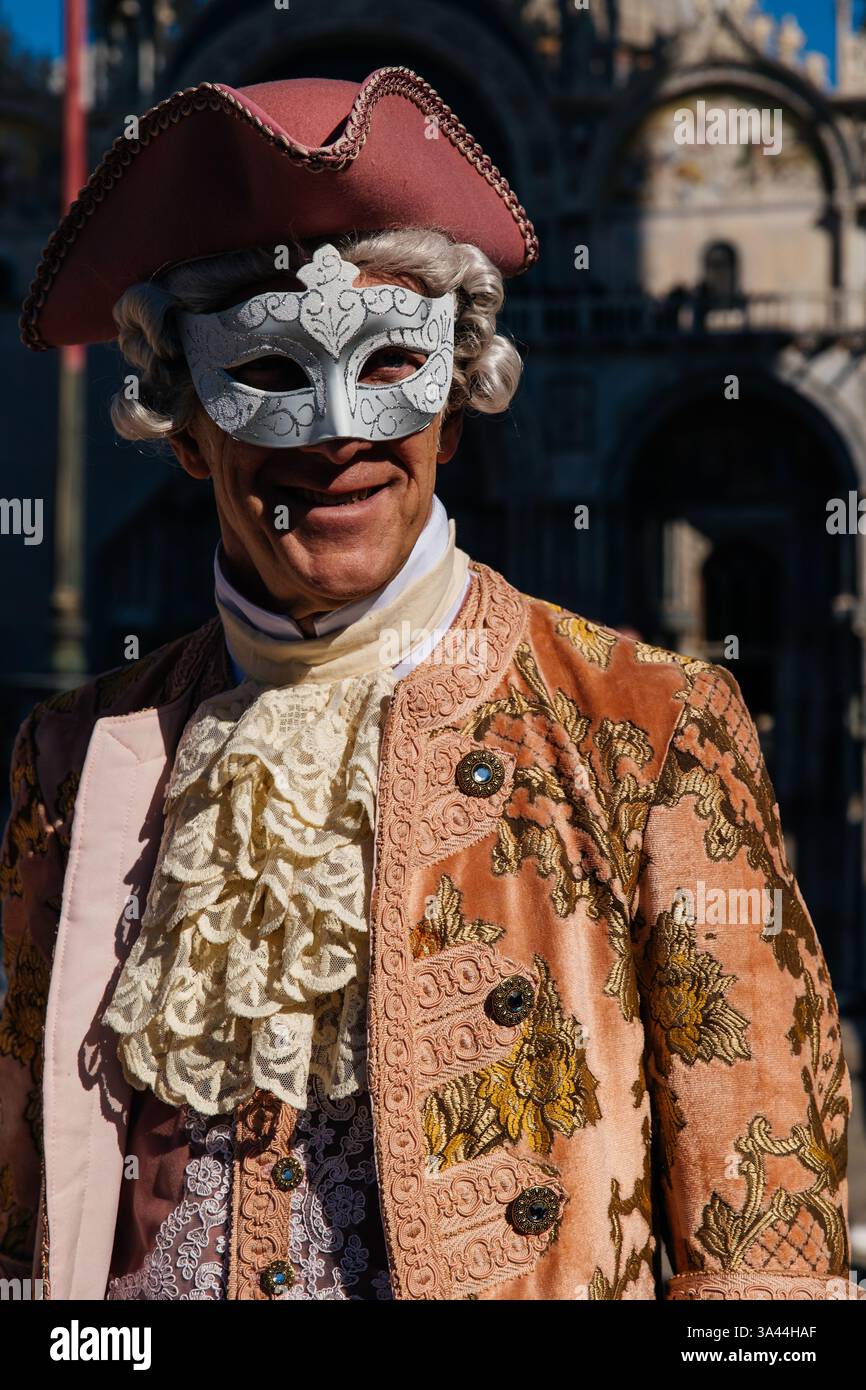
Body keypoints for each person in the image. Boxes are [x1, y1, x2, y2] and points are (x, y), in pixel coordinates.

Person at [0, 68, 859, 1301]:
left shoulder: (647, 728)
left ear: (453, 408)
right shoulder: (74, 758)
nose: (335, 435)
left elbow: (765, 1267)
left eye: (390, 365)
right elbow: (22, 1224)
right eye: (271, 378)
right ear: (187, 427)